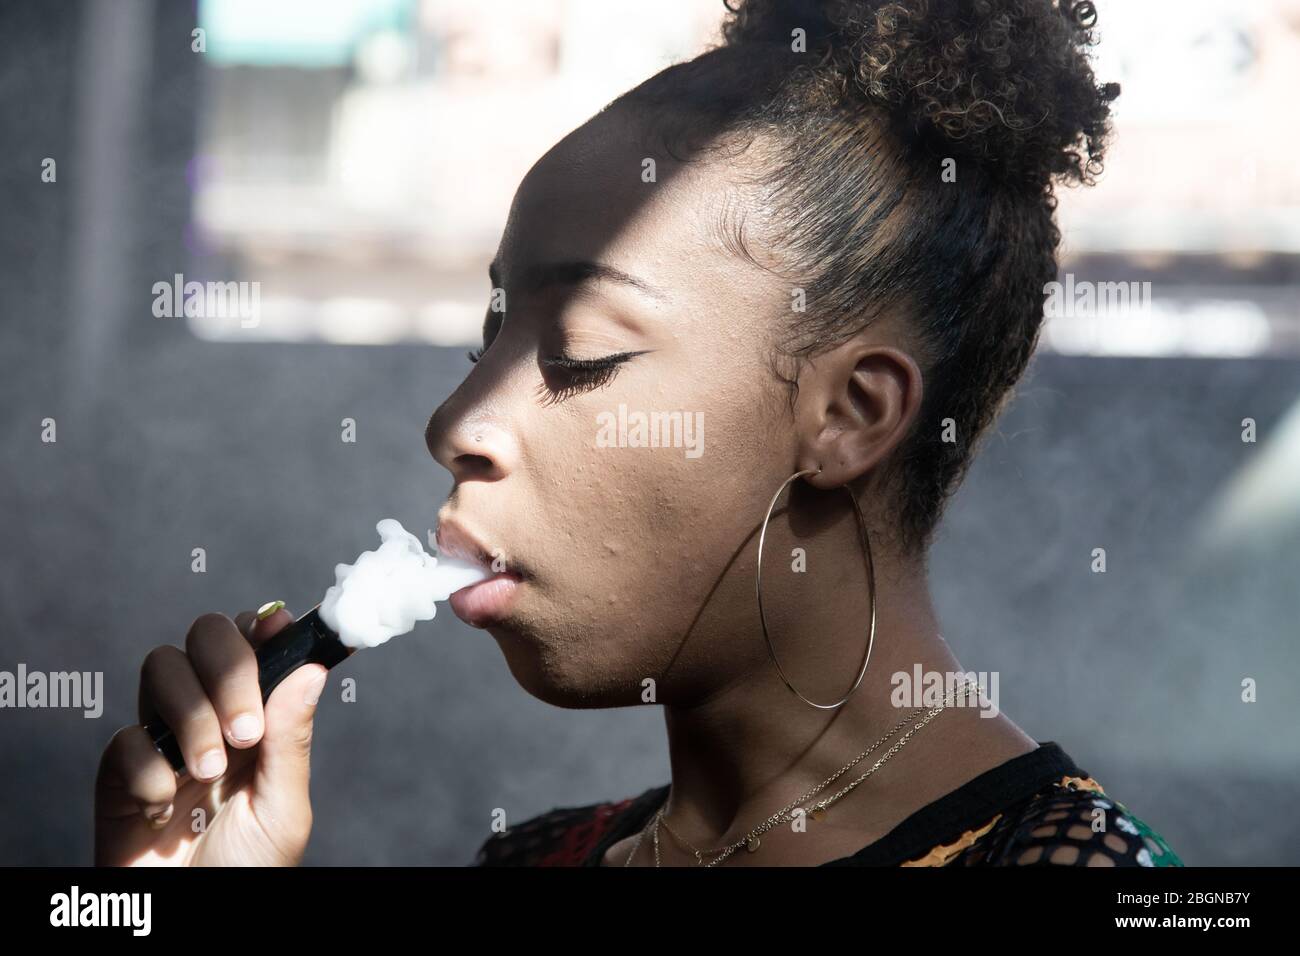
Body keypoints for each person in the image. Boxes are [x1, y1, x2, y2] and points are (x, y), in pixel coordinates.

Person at [94, 0, 1183, 867]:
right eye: (487, 335)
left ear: (849, 414)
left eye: (580, 352)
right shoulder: (534, 854)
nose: (455, 421)